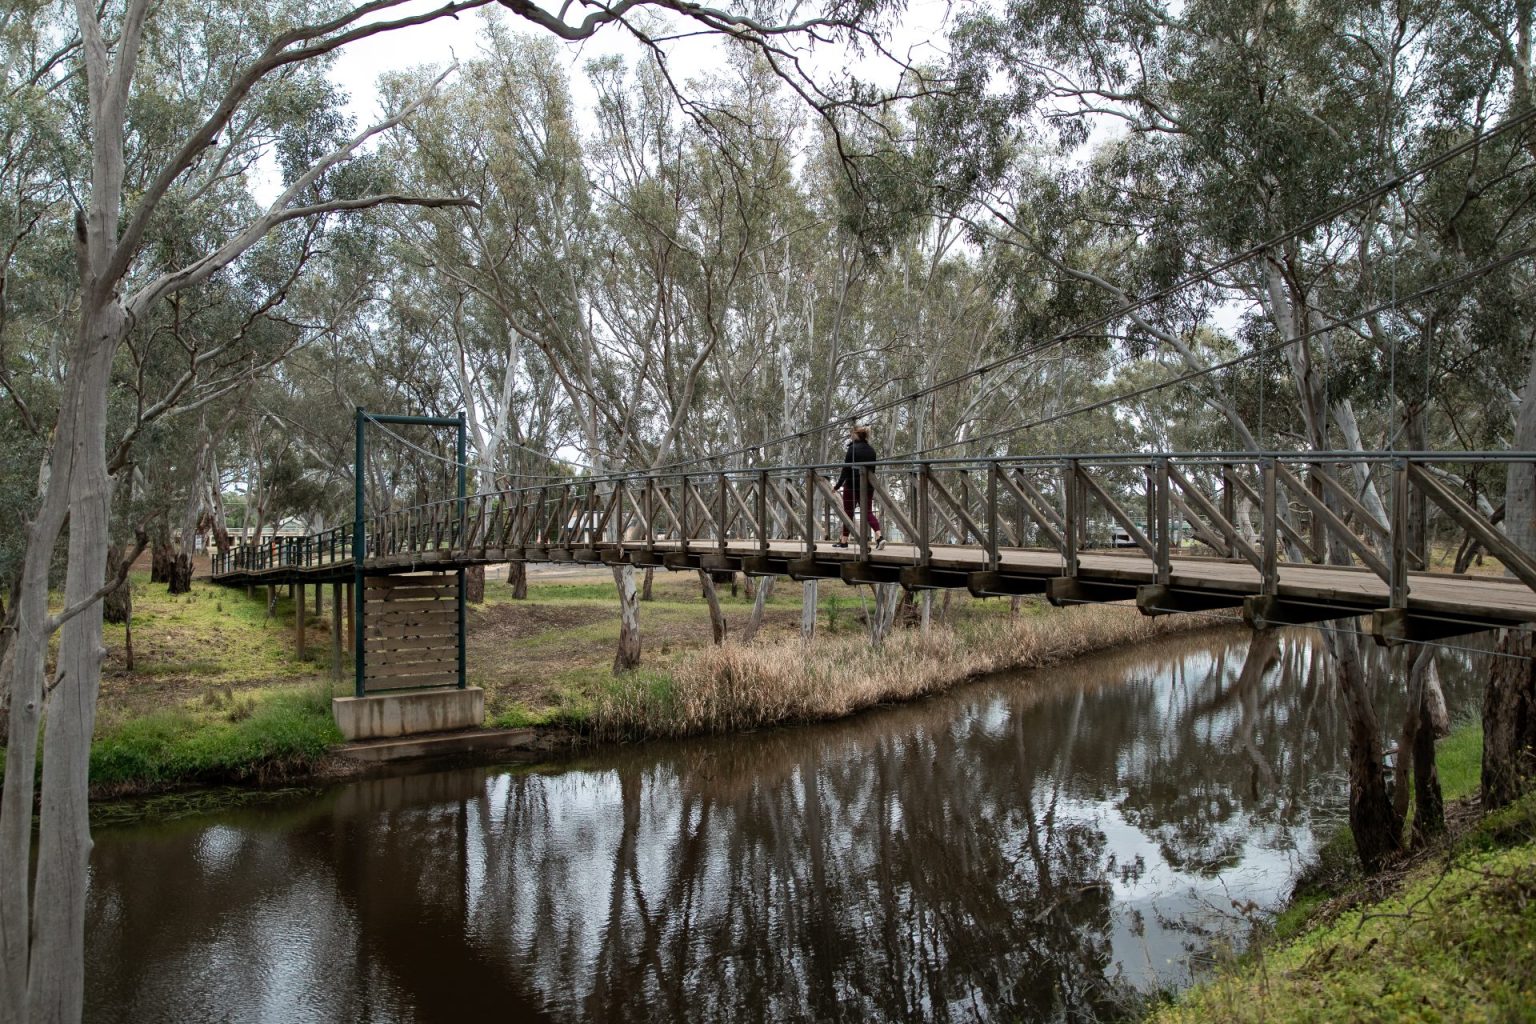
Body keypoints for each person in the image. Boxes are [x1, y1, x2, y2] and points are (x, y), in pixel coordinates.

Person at [833, 425, 884, 548]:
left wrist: (837, 486)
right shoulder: (872, 450)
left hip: (851, 486)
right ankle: (879, 536)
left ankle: (844, 541)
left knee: (848, 513)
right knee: (868, 512)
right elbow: (872, 471)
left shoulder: (852, 449)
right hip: (867, 486)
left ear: (856, 436)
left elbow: (846, 469)